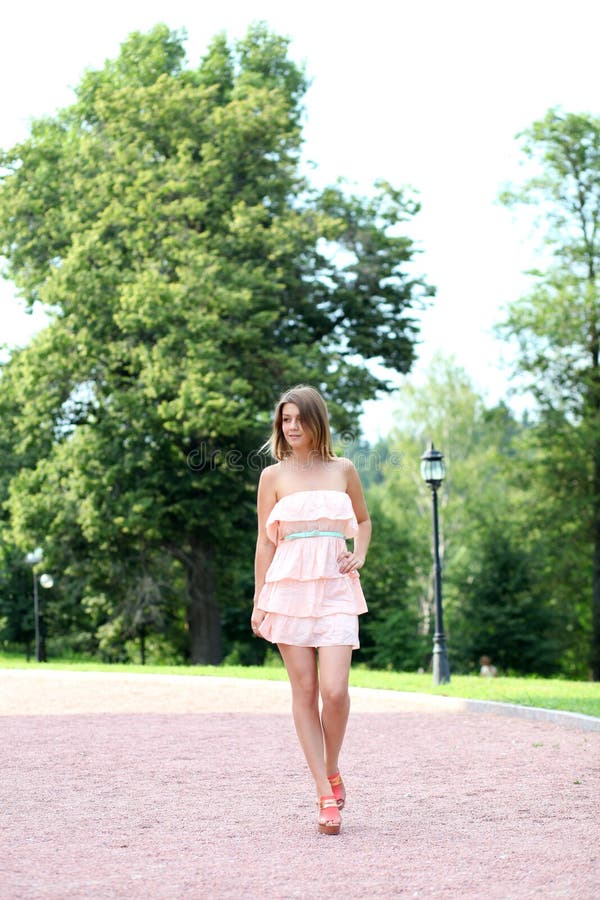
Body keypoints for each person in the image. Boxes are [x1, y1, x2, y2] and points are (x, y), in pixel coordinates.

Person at [251, 385, 371, 836]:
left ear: (317, 421)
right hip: (287, 588)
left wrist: (359, 553)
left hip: (337, 585)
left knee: (335, 691)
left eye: (299, 418)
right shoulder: (272, 477)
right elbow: (265, 540)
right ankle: (324, 792)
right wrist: (260, 598)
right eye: (285, 420)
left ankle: (332, 766)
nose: (292, 427)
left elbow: (362, 519)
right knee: (304, 689)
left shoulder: (344, 469)